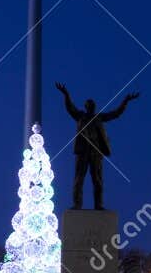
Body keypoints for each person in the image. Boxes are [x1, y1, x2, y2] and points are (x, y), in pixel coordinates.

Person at [55, 82, 139, 211]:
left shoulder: (99, 117)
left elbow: (116, 113)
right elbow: (70, 108)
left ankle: (98, 205)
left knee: (97, 180)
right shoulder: (80, 116)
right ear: (86, 106)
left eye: (92, 105)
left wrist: (126, 101)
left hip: (96, 153)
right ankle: (77, 204)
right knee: (79, 179)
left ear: (94, 107)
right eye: (89, 105)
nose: (91, 107)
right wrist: (65, 94)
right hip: (82, 152)